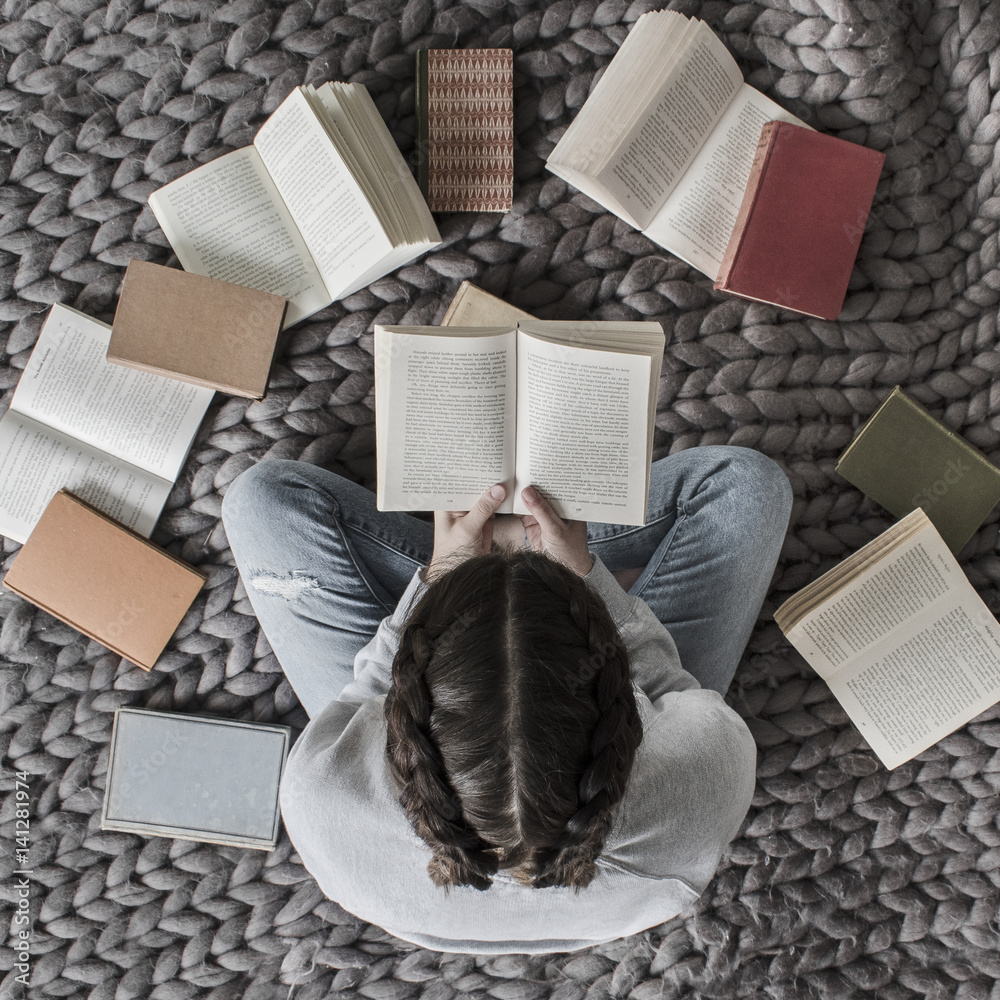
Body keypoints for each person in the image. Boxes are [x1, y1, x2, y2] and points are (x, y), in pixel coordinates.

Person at [221, 446, 793, 954]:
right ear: (611, 672)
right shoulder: (701, 777)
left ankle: (501, 549)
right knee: (747, 486)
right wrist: (583, 575)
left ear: (411, 694)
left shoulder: (325, 794)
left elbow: (368, 687)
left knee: (260, 501)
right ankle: (522, 547)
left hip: (384, 763)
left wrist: (440, 575)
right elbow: (667, 682)